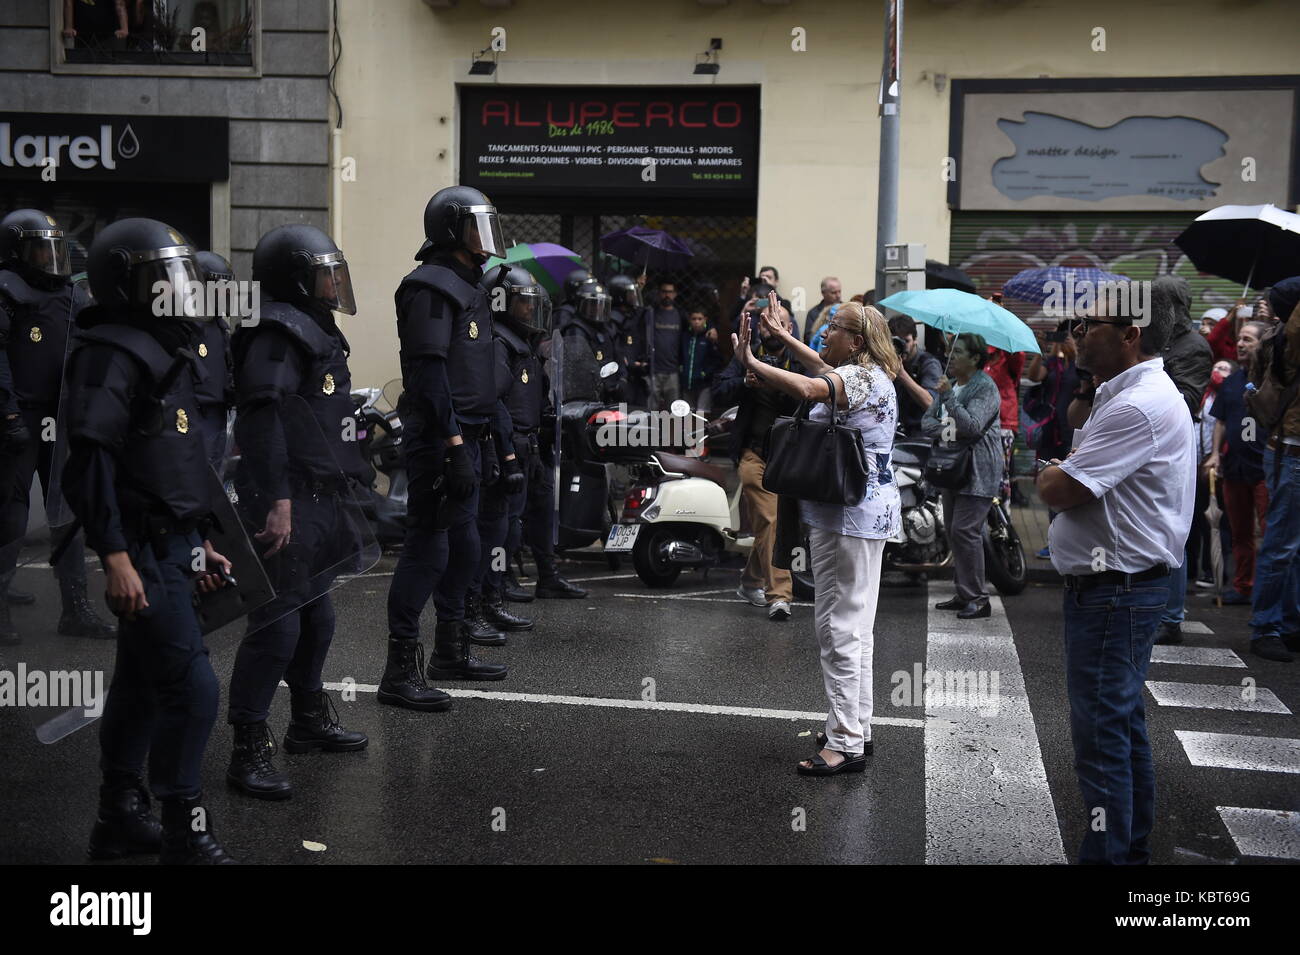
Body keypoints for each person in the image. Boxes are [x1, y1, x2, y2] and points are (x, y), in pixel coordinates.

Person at [62, 217, 237, 863]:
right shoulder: (111, 350)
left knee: (138, 684)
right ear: (125, 283)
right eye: (162, 276)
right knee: (192, 689)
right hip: (137, 549)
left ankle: (118, 816)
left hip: (172, 544)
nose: (178, 288)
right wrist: (113, 555)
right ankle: (184, 829)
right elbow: (89, 460)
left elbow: (176, 458)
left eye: (180, 274)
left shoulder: (164, 346)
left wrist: (200, 542)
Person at [1037, 284, 1193, 865]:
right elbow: (1075, 439)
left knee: (1102, 739)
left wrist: (1055, 472)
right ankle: (1129, 850)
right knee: (1120, 729)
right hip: (1120, 588)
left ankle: (1110, 860)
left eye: (1089, 323)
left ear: (1130, 334)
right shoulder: (1123, 394)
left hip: (1115, 592)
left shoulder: (1137, 405)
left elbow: (1061, 486)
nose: (1077, 332)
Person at [225, 225, 371, 800]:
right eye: (323, 273)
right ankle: (247, 747)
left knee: (318, 615)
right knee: (277, 623)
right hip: (287, 500)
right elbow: (263, 419)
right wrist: (279, 500)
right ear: (292, 277)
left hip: (323, 495)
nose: (333, 284)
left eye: (336, 272)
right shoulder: (275, 332)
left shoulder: (313, 328)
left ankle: (307, 720)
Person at [731, 298, 900, 774]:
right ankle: (857, 729)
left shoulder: (862, 379)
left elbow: (809, 386)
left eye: (835, 327)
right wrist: (782, 339)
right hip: (865, 515)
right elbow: (821, 367)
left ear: (858, 341)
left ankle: (843, 741)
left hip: (847, 518)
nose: (825, 332)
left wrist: (753, 361)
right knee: (857, 627)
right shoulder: (871, 375)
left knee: (838, 628)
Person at [380, 186, 511, 710]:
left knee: (467, 549)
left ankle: (450, 651)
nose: (487, 238)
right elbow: (429, 372)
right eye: (476, 226)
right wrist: (454, 444)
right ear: (450, 231)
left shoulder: (467, 283)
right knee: (427, 552)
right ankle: (398, 672)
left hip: (470, 439)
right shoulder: (431, 287)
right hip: (440, 440)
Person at [0, 208, 115, 643]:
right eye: (38, 250)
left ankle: (76, 608)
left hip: (62, 417)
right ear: (15, 252)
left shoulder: (72, 294)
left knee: (67, 514)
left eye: (53, 250)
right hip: (18, 417)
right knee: (9, 514)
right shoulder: (6, 291)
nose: (49, 259)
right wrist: (8, 414)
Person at [711, 300, 801, 620]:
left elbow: (810, 396)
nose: (771, 327)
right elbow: (718, 391)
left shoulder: (798, 360)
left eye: (779, 322)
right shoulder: (746, 356)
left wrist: (774, 380)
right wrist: (744, 382)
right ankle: (780, 596)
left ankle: (750, 580)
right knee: (771, 521)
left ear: (789, 330)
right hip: (753, 456)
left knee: (771, 527)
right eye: (765, 322)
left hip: (789, 463)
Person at [463, 267, 535, 640]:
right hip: (498, 450)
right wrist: (503, 456)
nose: (528, 308)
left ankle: (492, 600)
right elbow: (493, 404)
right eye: (522, 301)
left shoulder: (516, 340)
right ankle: (472, 609)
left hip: (518, 448)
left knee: (504, 533)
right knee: (488, 534)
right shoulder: (498, 343)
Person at [921, 333, 1004, 619]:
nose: (950, 357)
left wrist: (947, 399)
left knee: (965, 531)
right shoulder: (953, 384)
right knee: (955, 532)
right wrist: (950, 424)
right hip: (951, 467)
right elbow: (926, 423)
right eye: (950, 351)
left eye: (958, 352)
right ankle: (964, 592)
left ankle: (979, 599)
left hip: (978, 469)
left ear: (975, 359)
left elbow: (972, 426)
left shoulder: (985, 388)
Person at [1151, 275, 1214, 646]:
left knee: (1171, 526)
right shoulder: (1159, 340)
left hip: (1176, 437)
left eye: (1156, 302)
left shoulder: (1193, 346)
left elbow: (1188, 398)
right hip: (1155, 435)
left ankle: (1172, 617)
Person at [1244, 278, 1300, 662]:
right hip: (1291, 450)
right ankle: (1266, 627)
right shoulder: (1286, 340)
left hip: (1287, 449)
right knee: (1281, 544)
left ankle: (1290, 623)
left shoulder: (1277, 337)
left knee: (1292, 546)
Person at [1209, 322, 1270, 606]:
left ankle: (1267, 589)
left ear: (1263, 344)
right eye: (1239, 339)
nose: (1241, 344)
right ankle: (1243, 586)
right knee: (1240, 531)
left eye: (1248, 339)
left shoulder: (1272, 379)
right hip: (1234, 466)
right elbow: (1220, 420)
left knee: (1268, 531)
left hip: (1265, 468)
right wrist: (1215, 455)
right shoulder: (1232, 380)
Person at [1023, 320, 1079, 558]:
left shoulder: (1082, 365)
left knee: (1072, 490)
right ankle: (1054, 540)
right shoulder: (1053, 362)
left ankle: (1070, 541)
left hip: (1073, 433)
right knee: (1052, 485)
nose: (1064, 340)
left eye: (1068, 336)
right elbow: (1035, 376)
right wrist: (1041, 351)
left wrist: (1075, 355)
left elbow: (1085, 382)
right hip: (1050, 434)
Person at [192, 251, 236, 472]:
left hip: (218, 416)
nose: (226, 293)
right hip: (195, 416)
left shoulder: (218, 326)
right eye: (220, 287)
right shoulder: (185, 327)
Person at [889, 313, 942, 438]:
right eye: (896, 341)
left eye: (906, 341)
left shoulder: (928, 363)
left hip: (921, 435)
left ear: (915, 339)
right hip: (894, 432)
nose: (902, 346)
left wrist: (902, 374)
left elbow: (931, 404)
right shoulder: (886, 363)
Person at [607, 273, 649, 407]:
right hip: (622, 379)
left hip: (636, 378)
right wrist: (628, 363)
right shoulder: (613, 320)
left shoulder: (632, 315)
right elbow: (616, 350)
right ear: (620, 296)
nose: (634, 297)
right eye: (631, 293)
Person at [649, 278, 684, 408]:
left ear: (675, 294)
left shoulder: (681, 315)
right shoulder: (651, 314)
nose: (667, 295)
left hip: (672, 372)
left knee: (673, 413)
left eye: (670, 292)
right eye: (664, 291)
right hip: (654, 371)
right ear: (659, 293)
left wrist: (709, 327)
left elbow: (696, 325)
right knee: (650, 412)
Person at [680, 309, 720, 414]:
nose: (697, 322)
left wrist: (705, 373)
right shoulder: (685, 336)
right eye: (694, 319)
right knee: (688, 412)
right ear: (689, 320)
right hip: (687, 382)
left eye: (700, 319)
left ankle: (702, 431)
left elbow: (716, 359)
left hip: (704, 383)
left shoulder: (710, 336)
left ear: (705, 319)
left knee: (702, 413)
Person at [803, 276, 842, 343]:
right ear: (823, 293)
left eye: (839, 291)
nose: (838, 295)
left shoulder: (846, 309)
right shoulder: (813, 313)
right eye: (833, 293)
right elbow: (808, 338)